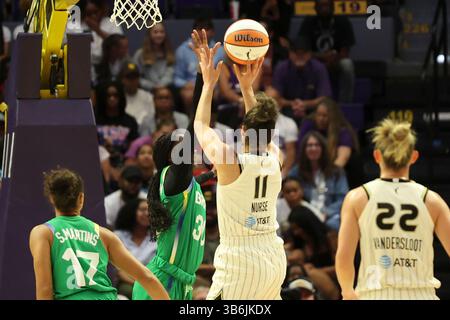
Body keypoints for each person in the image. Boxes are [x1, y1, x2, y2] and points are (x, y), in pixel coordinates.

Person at [194, 42, 286, 300]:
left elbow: (201, 125)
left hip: (241, 262)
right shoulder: (276, 157)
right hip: (274, 256)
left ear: (243, 130)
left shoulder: (228, 160)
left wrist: (209, 83)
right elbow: (260, 128)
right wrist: (247, 88)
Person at [132, 29, 209, 300]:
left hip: (180, 283)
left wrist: (211, 174)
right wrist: (203, 75)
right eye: (180, 144)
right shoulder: (173, 178)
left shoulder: (184, 185)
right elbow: (196, 125)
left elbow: (196, 184)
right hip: (163, 282)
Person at [336, 119, 450, 300]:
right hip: (421, 295)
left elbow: (344, 257)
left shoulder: (358, 197)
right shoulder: (432, 200)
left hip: (373, 295)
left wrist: (347, 291)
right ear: (413, 156)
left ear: (377, 156)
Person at [29, 168, 169, 300]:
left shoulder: (43, 233)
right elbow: (147, 277)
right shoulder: (104, 235)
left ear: (52, 198)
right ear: (81, 198)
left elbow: (45, 290)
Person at [298, 97, 363, 188]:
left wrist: (327, 176)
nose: (321, 118)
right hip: (310, 167)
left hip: (332, 170)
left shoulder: (343, 131)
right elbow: (301, 150)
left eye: (325, 116)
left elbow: (342, 158)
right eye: (318, 115)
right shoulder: (308, 124)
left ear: (332, 116)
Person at [298, 0, 355, 102]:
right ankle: (307, 103)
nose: (324, 8)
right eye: (321, 6)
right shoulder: (308, 22)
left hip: (336, 60)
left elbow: (345, 52)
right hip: (314, 61)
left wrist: (332, 59)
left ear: (333, 8)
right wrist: (323, 57)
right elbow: (302, 51)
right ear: (315, 8)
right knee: (302, 63)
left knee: (347, 65)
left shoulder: (343, 21)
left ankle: (345, 103)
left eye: (327, 5)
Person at [290, 131, 348, 232]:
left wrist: (327, 213)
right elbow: (287, 187)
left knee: (333, 225)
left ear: (322, 148)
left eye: (317, 145)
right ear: (304, 149)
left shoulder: (336, 171)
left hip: (331, 215)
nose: (313, 148)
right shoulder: (296, 171)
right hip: (306, 214)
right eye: (309, 145)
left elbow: (343, 198)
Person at [268, 37, 332, 123]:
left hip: (312, 111)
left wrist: (305, 104)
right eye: (296, 53)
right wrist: (293, 104)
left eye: (303, 53)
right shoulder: (282, 68)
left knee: (324, 110)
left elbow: (324, 98)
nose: (299, 56)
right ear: (290, 53)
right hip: (286, 110)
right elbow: (275, 96)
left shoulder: (319, 68)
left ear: (309, 54)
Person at [114, 199, 157, 299]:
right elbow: (119, 271)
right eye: (142, 210)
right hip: (127, 282)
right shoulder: (118, 236)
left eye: (149, 210)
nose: (146, 213)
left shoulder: (157, 238)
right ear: (132, 212)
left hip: (152, 281)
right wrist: (140, 285)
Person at [133, 22, 175, 91]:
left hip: (164, 91)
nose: (159, 35)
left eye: (162, 32)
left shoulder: (169, 53)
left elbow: (169, 75)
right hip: (146, 90)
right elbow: (136, 76)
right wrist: (152, 87)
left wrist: (160, 87)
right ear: (149, 34)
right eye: (155, 32)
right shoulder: (140, 54)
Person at [120, 62, 155, 127]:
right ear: (122, 79)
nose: (132, 81)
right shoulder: (119, 97)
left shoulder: (148, 97)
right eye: (129, 77)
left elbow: (151, 118)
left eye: (135, 77)